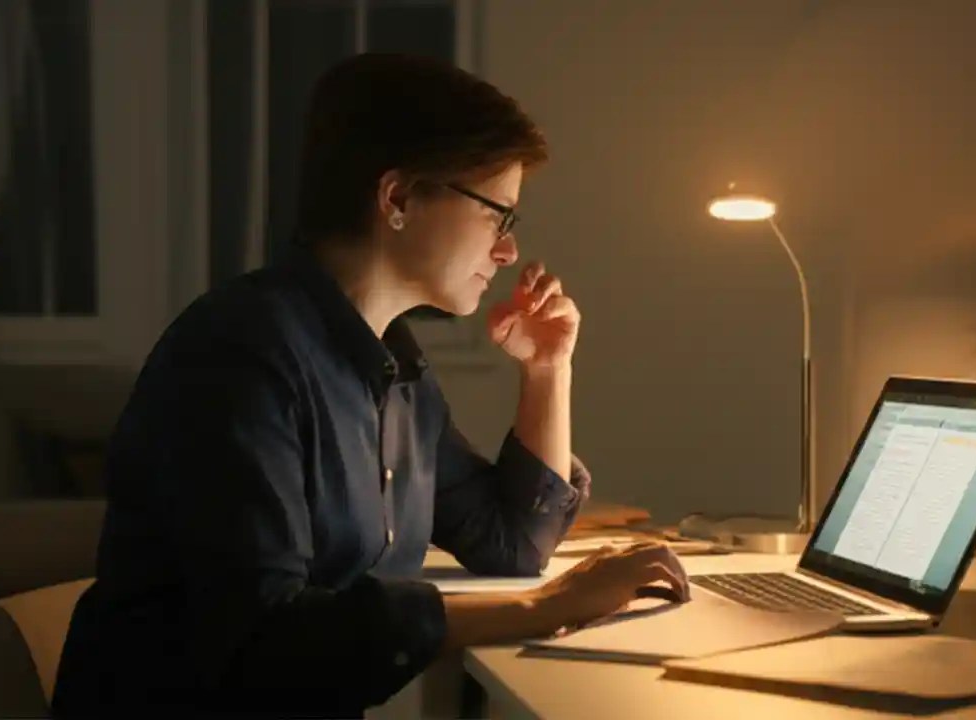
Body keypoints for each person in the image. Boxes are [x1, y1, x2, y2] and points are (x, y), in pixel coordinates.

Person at [52, 53, 689, 718]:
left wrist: (547, 371)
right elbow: (264, 642)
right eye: (498, 215)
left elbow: (512, 544)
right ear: (398, 198)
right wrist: (543, 607)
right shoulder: (241, 355)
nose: (506, 251)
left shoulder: (393, 372)